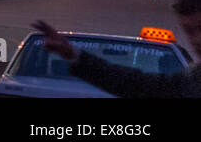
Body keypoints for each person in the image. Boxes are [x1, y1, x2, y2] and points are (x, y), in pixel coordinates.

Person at [31, 20, 201, 98]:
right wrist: (72, 54)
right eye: (189, 31)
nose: (196, 39)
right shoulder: (191, 81)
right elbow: (134, 84)